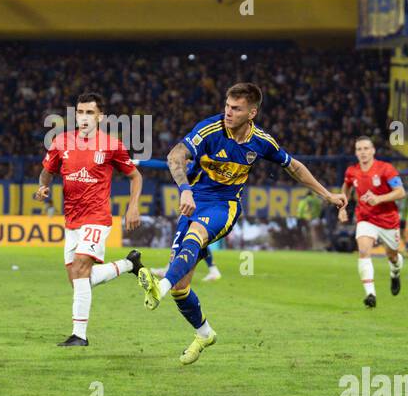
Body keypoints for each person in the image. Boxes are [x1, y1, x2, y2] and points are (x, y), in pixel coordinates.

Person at [134, 83, 346, 365]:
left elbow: (294, 166)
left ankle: (158, 289)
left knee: (195, 237)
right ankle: (204, 333)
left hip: (224, 206)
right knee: (181, 288)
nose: (228, 112)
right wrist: (184, 188)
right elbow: (175, 156)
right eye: (227, 106)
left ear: (252, 112)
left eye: (236, 108)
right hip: (193, 201)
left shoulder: (262, 142)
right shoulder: (210, 129)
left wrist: (327, 194)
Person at [35, 92, 144, 347]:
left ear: (100, 116)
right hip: (71, 220)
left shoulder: (111, 145)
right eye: (80, 112)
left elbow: (135, 176)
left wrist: (133, 206)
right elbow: (46, 172)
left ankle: (79, 336)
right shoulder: (61, 142)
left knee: (81, 267)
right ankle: (128, 265)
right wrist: (42, 188)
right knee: (78, 280)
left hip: (97, 217)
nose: (84, 118)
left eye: (89, 113)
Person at [339, 136, 406, 308]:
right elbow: (346, 187)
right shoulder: (351, 171)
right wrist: (342, 207)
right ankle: (370, 294)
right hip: (365, 217)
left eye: (366, 148)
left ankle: (395, 272)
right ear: (355, 152)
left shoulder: (386, 169)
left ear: (373, 150)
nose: (363, 152)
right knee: (363, 250)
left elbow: (400, 192)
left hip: (388, 219)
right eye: (359, 149)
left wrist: (379, 199)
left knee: (392, 256)